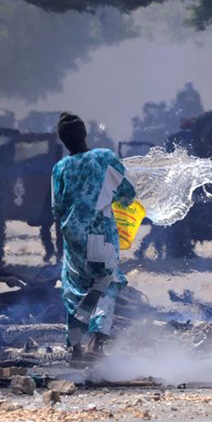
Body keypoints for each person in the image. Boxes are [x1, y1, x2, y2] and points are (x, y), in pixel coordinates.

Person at [51, 112, 136, 359]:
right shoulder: (103, 157)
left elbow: (57, 208)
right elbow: (128, 191)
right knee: (106, 283)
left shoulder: (59, 168)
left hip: (72, 240)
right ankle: (95, 344)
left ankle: (76, 349)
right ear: (84, 134)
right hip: (99, 235)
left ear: (63, 140)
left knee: (74, 289)